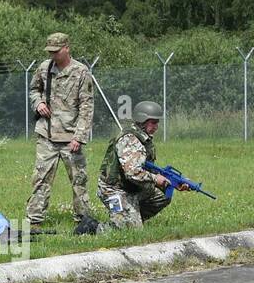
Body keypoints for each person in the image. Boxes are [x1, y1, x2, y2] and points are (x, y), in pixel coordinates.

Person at [26, 32, 96, 233]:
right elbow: (34, 90)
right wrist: (38, 103)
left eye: (56, 51)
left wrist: (79, 137)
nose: (53, 55)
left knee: (79, 179)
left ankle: (83, 219)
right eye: (50, 52)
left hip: (70, 137)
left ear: (66, 48)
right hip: (46, 134)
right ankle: (34, 220)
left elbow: (86, 106)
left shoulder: (81, 72)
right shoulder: (44, 68)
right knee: (40, 178)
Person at [96, 100, 171, 229]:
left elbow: (146, 168)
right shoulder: (129, 139)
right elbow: (132, 173)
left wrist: (172, 182)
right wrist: (155, 179)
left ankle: (131, 216)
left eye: (157, 122)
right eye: (153, 122)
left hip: (131, 188)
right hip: (113, 190)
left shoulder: (144, 138)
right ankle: (92, 227)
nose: (156, 126)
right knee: (129, 230)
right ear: (142, 120)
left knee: (164, 194)